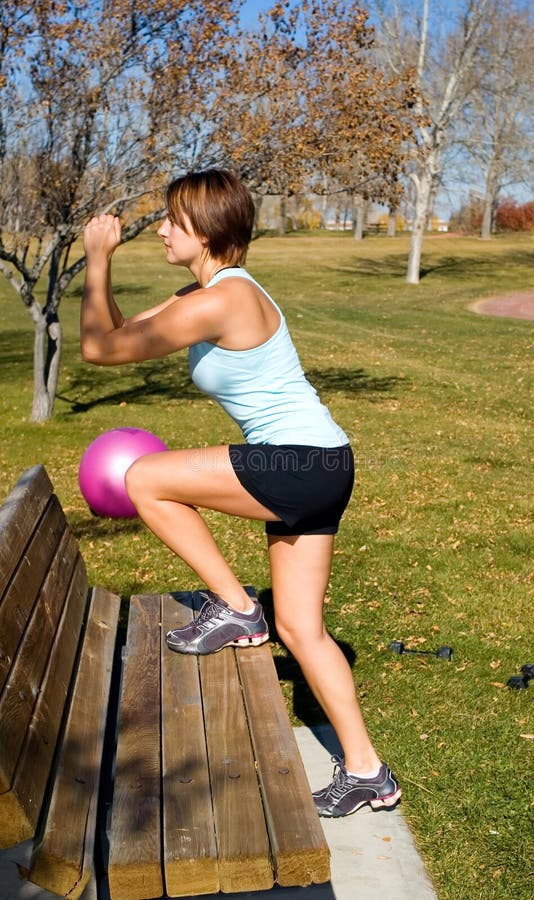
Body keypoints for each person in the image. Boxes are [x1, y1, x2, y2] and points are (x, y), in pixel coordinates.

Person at [80, 169, 401, 818]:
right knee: (301, 628)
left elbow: (94, 350)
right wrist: (104, 270)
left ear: (205, 231)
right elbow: (116, 334)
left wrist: (93, 257)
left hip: (299, 463)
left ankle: (234, 608)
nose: (162, 229)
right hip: (323, 462)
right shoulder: (202, 295)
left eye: (173, 219)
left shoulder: (219, 301)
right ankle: (368, 772)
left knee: (144, 477)